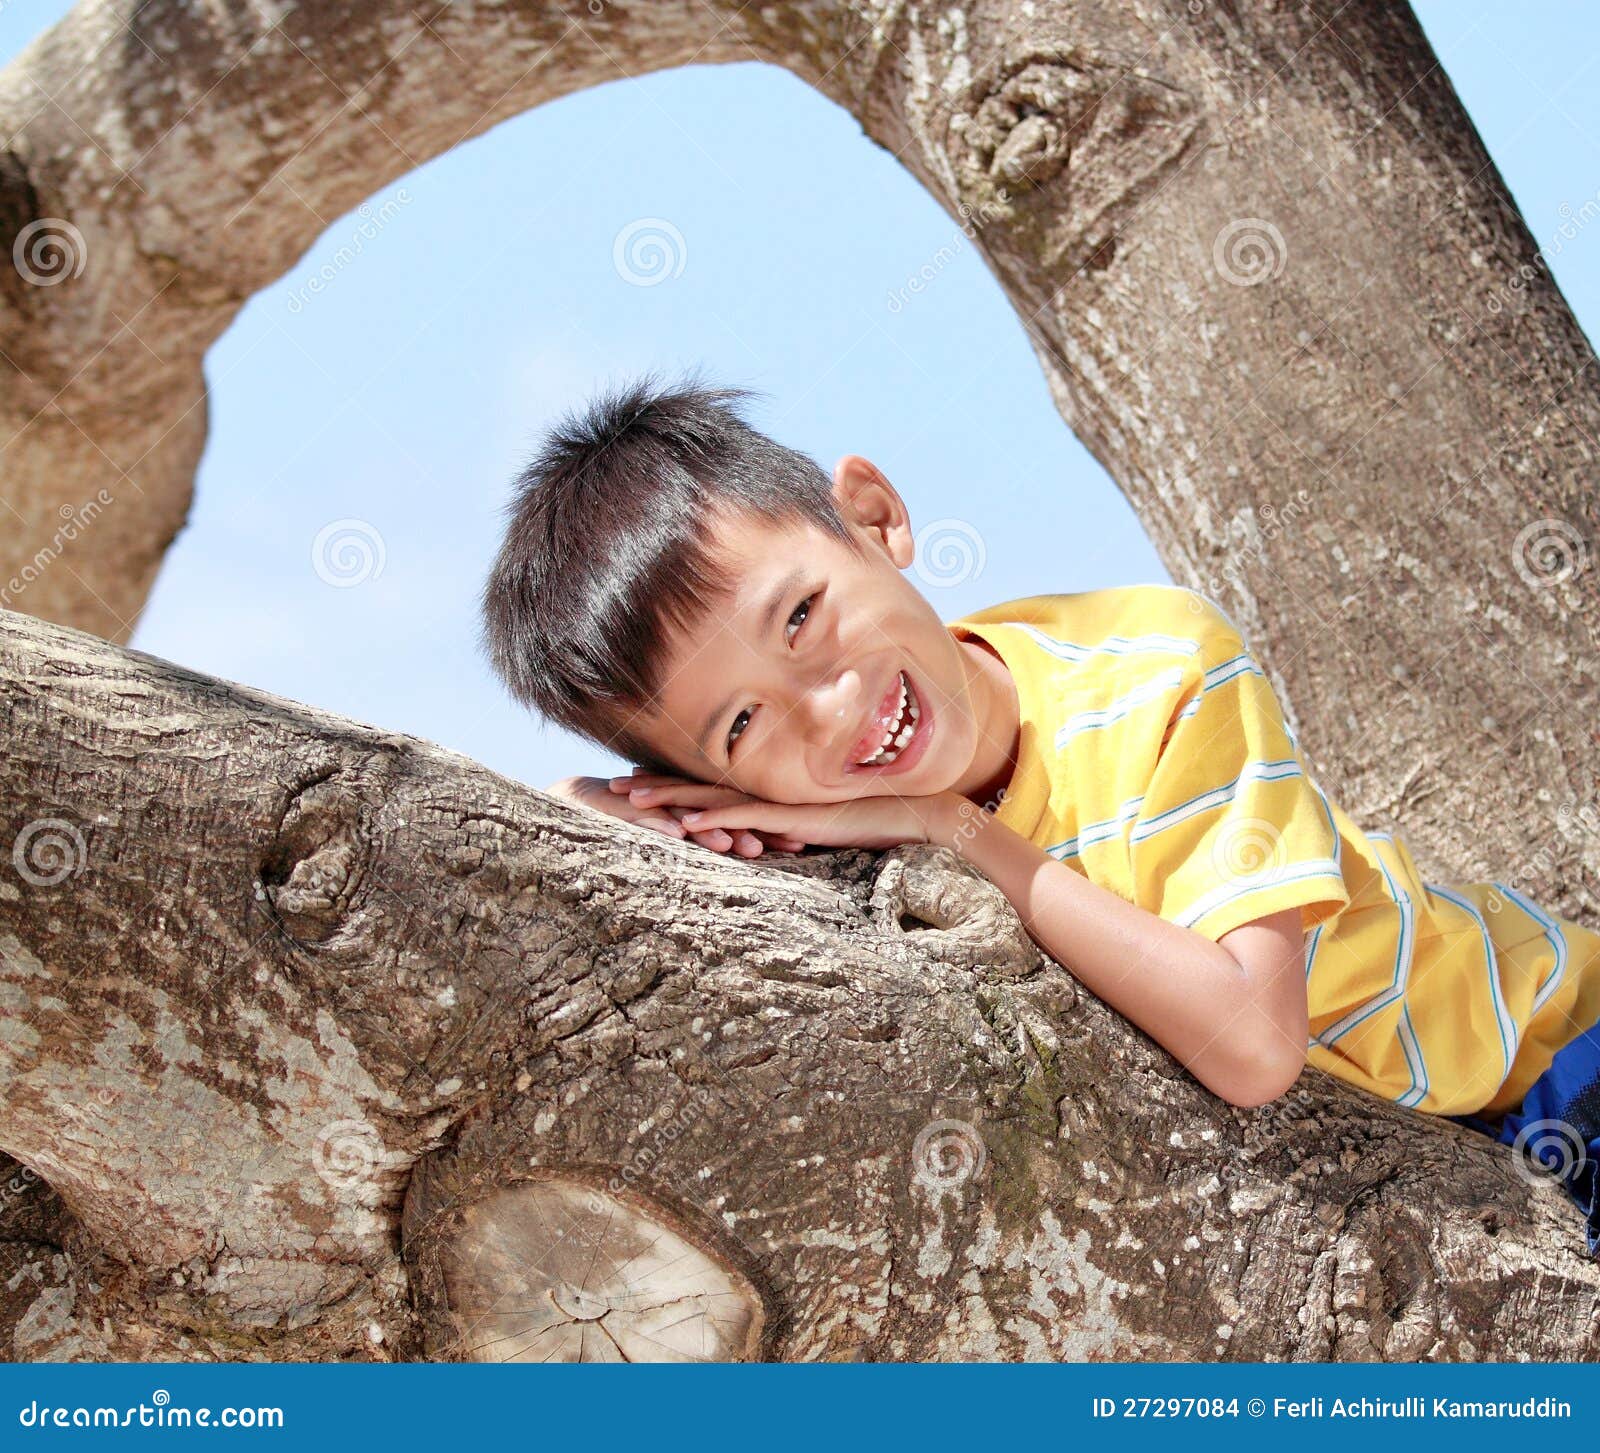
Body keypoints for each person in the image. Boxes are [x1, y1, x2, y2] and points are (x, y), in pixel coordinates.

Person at [479, 369, 1600, 1252]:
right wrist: (603, 817)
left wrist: (953, 831)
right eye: (739, 727)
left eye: (803, 615)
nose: (829, 708)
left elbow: (1253, 1044)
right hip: (1428, 1165)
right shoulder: (819, 844)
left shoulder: (1152, 668)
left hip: (1553, 1058)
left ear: (872, 517)